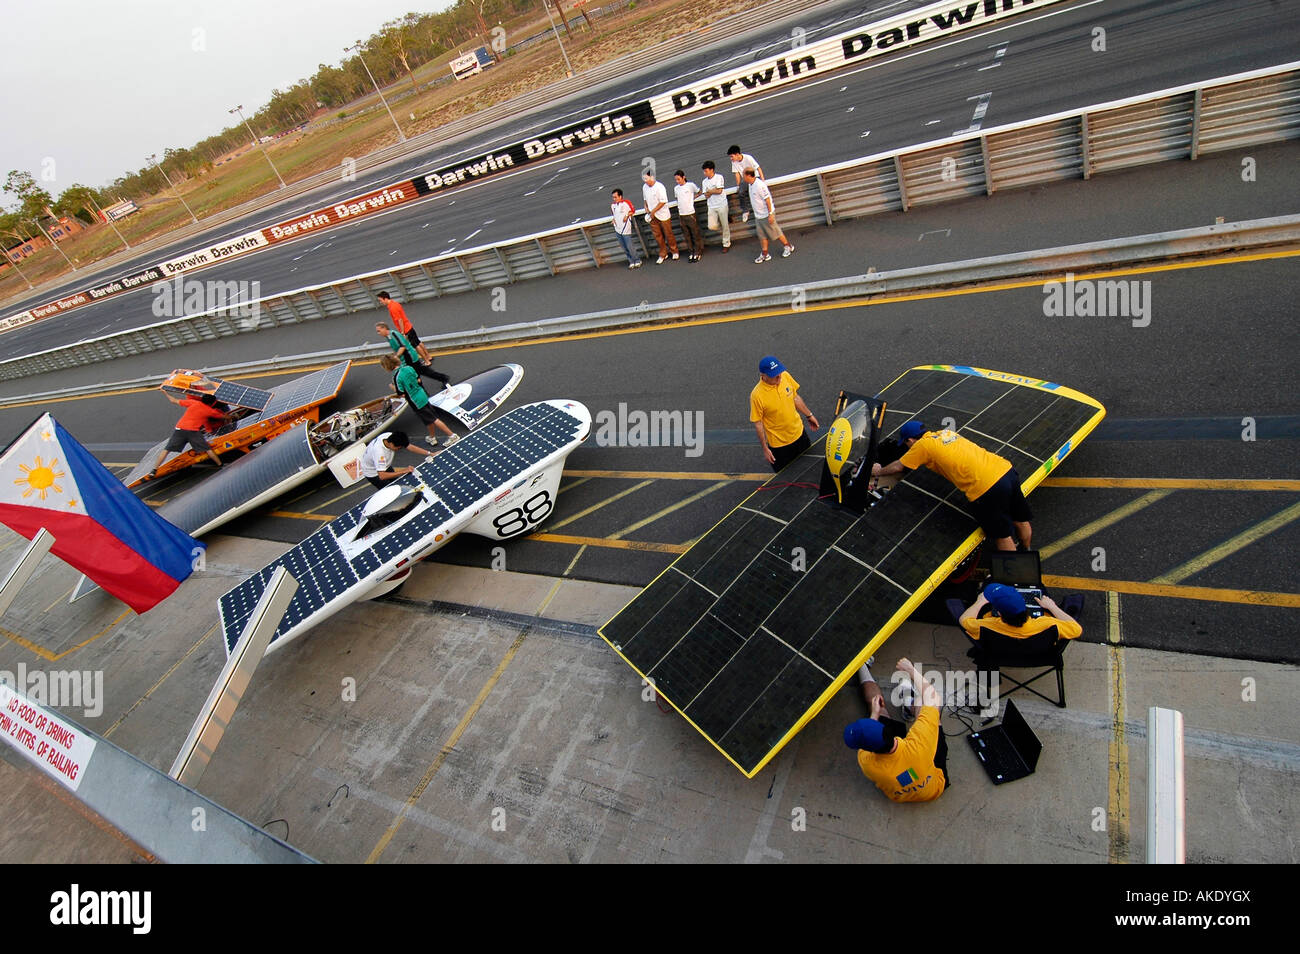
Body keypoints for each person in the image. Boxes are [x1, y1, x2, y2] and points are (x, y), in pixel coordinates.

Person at [872, 421, 1032, 551]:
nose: (907, 447)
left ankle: (1013, 574)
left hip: (987, 487)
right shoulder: (946, 433)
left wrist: (879, 471)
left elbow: (898, 467)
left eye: (906, 444)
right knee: (1020, 520)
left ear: (910, 440)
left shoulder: (922, 445)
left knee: (1002, 535)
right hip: (1006, 470)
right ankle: (1026, 551)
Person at [844, 657, 948, 803]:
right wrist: (911, 670)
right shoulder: (920, 745)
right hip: (935, 786)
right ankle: (910, 704)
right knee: (923, 703)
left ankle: (860, 665)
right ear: (888, 733)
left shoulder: (866, 760)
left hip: (899, 795)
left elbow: (869, 734)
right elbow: (933, 698)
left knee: (876, 706)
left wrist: (875, 713)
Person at [750, 355, 819, 471]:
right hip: (779, 446)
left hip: (800, 435)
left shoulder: (785, 376)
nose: (779, 377)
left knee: (810, 470)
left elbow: (795, 397)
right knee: (787, 480)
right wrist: (765, 449)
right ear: (763, 376)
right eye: (774, 375)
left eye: (779, 372)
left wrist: (809, 415)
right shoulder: (756, 396)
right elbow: (758, 423)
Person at [379, 353, 458, 447]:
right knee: (428, 419)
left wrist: (392, 387)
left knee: (433, 419)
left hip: (415, 401)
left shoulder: (396, 377)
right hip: (422, 394)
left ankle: (452, 435)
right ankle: (432, 437)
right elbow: (418, 380)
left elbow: (402, 393)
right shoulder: (408, 368)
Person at [959, 583, 1083, 642]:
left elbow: (964, 621)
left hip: (1001, 655)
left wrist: (980, 602)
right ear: (1025, 608)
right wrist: (1052, 607)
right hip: (1041, 656)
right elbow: (1076, 629)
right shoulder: (1048, 624)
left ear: (1000, 614)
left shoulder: (988, 626)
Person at [146, 393, 226, 478]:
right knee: (207, 449)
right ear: (212, 403)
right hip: (193, 431)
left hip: (180, 429)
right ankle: (220, 464)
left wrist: (164, 391)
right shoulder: (210, 411)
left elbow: (173, 400)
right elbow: (224, 417)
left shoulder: (193, 403)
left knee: (166, 450)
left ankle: (154, 470)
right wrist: (232, 416)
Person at [743, 168, 793, 264]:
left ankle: (788, 246)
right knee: (762, 235)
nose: (743, 177)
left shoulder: (759, 185)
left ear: (749, 176)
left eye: (744, 175)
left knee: (776, 232)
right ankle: (765, 253)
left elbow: (768, 200)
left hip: (766, 214)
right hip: (759, 216)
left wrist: (770, 214)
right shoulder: (750, 184)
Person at [376, 321, 449, 387]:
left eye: (379, 331)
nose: (378, 333)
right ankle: (441, 379)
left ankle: (442, 378)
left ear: (384, 328)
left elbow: (402, 346)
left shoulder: (393, 334)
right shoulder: (388, 337)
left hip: (409, 357)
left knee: (418, 373)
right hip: (406, 358)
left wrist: (396, 356)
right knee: (418, 373)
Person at [376, 291, 435, 367]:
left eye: (381, 300)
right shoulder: (395, 303)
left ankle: (426, 361)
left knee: (415, 345)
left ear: (385, 298)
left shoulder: (392, 308)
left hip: (406, 329)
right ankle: (428, 356)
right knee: (418, 342)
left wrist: (403, 332)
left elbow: (399, 320)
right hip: (409, 325)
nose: (380, 302)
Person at [359, 429, 433, 489]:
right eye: (398, 448)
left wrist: (430, 453)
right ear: (391, 443)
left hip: (384, 466)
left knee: (397, 484)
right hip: (373, 474)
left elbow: (409, 446)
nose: (399, 449)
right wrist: (404, 471)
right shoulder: (379, 453)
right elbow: (382, 476)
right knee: (391, 492)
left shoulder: (389, 436)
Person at [641, 171, 679, 264]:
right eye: (644, 179)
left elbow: (663, 201)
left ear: (652, 177)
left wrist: (653, 211)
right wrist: (646, 208)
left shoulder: (659, 187)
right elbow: (645, 199)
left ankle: (674, 251)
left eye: (647, 178)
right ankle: (663, 254)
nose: (645, 181)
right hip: (652, 216)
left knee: (668, 233)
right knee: (657, 236)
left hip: (663, 215)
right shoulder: (644, 187)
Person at [672, 170, 704, 262]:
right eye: (676, 180)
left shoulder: (690, 185)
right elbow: (677, 198)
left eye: (678, 179)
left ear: (683, 177)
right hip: (681, 214)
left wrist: (692, 198)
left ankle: (698, 251)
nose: (677, 181)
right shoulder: (676, 188)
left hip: (690, 213)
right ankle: (691, 251)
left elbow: (699, 192)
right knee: (687, 235)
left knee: (695, 233)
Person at [700, 160, 731, 252]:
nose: (704, 173)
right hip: (711, 205)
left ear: (711, 170)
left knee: (725, 226)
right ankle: (723, 220)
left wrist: (710, 191)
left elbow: (720, 191)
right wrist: (712, 191)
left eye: (706, 171)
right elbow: (706, 195)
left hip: (721, 204)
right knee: (711, 226)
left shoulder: (719, 177)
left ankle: (726, 243)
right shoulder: (704, 182)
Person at [727, 145, 763, 222]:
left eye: (732, 156)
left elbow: (758, 168)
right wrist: (738, 185)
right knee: (741, 192)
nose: (731, 158)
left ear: (737, 154)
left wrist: (763, 180)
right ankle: (745, 211)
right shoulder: (734, 162)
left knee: (756, 192)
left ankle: (760, 208)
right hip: (745, 179)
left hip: (755, 177)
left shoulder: (748, 158)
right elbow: (737, 174)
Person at [609, 189, 642, 269]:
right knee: (624, 246)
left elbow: (633, 211)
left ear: (620, 196)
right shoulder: (613, 206)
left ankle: (637, 260)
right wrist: (613, 220)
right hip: (617, 228)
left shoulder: (626, 203)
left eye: (616, 197)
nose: (614, 199)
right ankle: (631, 261)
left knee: (629, 245)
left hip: (625, 227)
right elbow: (614, 215)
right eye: (613, 197)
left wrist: (627, 215)